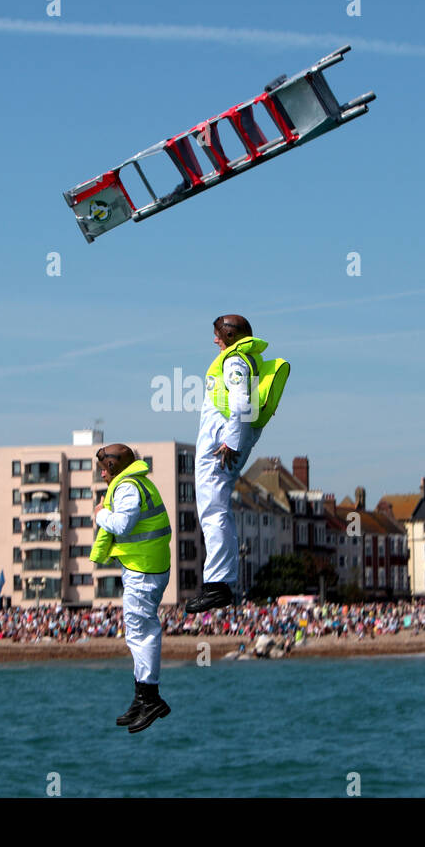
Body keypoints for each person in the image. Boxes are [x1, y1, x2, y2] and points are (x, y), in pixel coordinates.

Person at [91, 444, 173, 733]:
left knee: (142, 632)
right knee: (137, 632)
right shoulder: (138, 482)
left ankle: (150, 697)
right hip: (147, 565)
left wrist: (100, 513)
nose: (101, 472)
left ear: (115, 467)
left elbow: (123, 525)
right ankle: (142, 697)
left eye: (105, 467)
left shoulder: (127, 488)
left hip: (143, 569)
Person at [187, 314, 267, 613]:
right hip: (223, 442)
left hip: (221, 446)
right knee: (216, 506)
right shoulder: (242, 359)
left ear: (231, 336)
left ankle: (217, 585)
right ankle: (217, 582)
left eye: (219, 334)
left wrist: (231, 442)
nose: (215, 340)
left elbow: (240, 402)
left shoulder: (234, 362)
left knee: (213, 507)